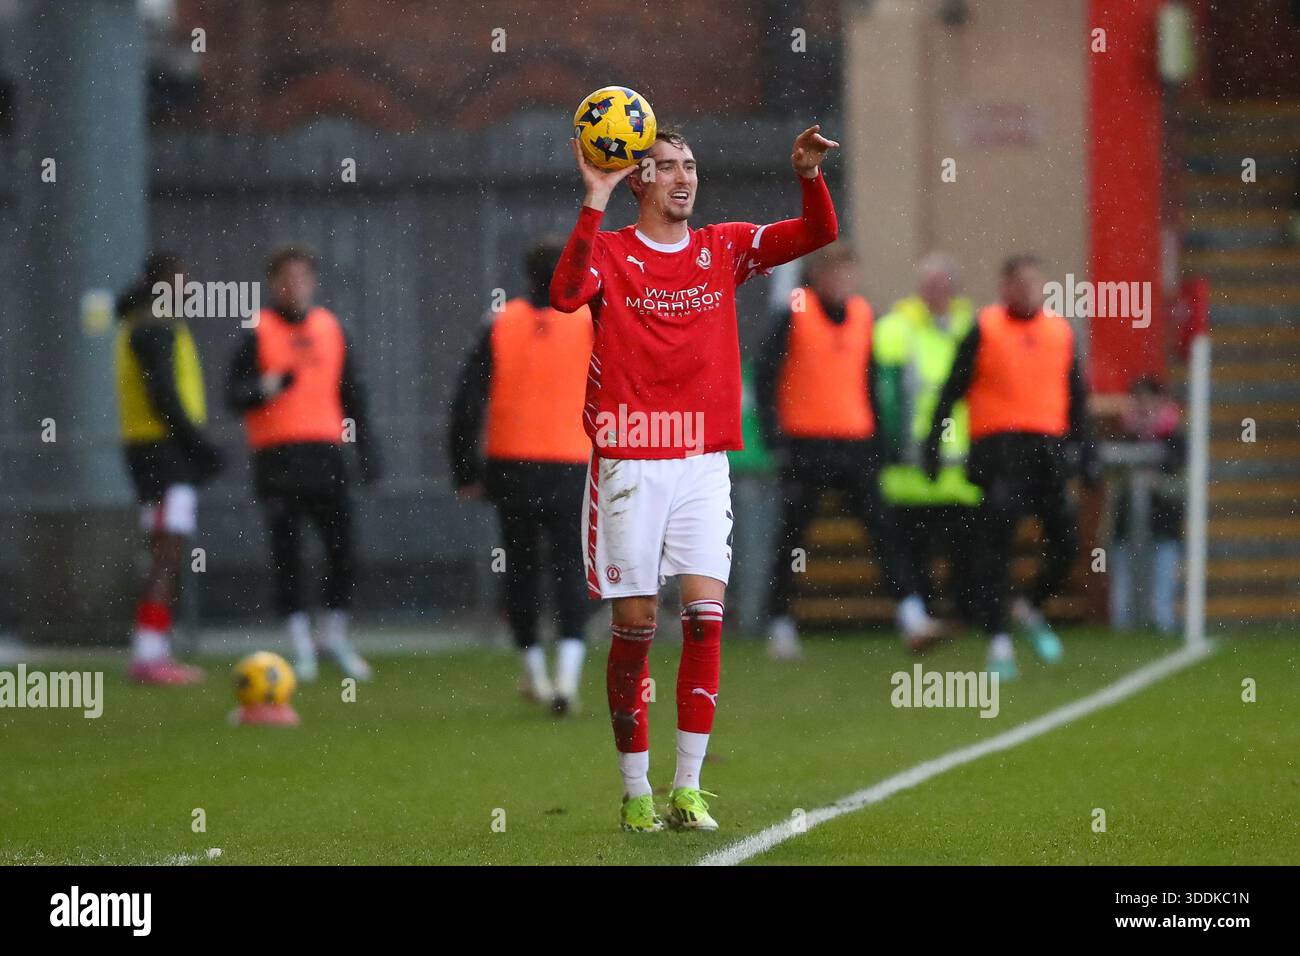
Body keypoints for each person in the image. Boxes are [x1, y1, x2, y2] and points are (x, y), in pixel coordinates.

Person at [550, 124, 839, 832]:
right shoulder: (613, 252)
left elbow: (815, 232)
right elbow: (562, 294)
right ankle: (634, 788)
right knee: (638, 626)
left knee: (707, 621)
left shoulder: (724, 247)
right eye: (668, 167)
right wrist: (594, 197)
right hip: (629, 464)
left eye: (691, 165)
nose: (685, 177)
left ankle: (687, 788)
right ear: (639, 180)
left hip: (703, 464)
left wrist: (806, 173)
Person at [755, 244, 939, 661]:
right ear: (816, 276)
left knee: (883, 529)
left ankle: (912, 615)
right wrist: (774, 437)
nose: (839, 282)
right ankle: (779, 623)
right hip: (806, 444)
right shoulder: (795, 313)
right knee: (793, 538)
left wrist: (881, 442)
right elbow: (767, 376)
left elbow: (870, 383)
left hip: (854, 443)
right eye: (832, 273)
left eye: (846, 273)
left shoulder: (862, 316)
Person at [925, 255, 1096, 680]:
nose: (1026, 291)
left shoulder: (1059, 332)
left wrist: (1090, 453)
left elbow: (1077, 402)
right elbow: (951, 391)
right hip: (998, 453)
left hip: (1046, 453)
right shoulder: (985, 329)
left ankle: (1030, 605)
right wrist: (933, 444)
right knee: (994, 548)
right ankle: (999, 640)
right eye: (1018, 284)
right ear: (1004, 288)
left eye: (1033, 283)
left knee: (1066, 541)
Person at [448, 237, 594, 714]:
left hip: (511, 466)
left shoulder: (501, 323)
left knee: (522, 568)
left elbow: (466, 404)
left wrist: (465, 469)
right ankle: (568, 678)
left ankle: (534, 671)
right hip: (573, 462)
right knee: (572, 567)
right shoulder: (591, 319)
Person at [226, 245, 381, 682]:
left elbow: (353, 394)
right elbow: (233, 394)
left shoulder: (330, 328)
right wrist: (268, 387)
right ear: (273, 284)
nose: (293, 287)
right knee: (288, 555)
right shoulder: (256, 331)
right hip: (278, 459)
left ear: (312, 282)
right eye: (285, 278)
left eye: (301, 277)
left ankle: (332, 636)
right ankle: (299, 646)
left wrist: (367, 450)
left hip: (326, 455)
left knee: (343, 551)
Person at [115, 252, 223, 684]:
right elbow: (164, 394)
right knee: (166, 551)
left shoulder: (146, 325)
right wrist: (200, 447)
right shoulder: (153, 328)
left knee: (167, 550)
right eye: (180, 279)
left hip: (157, 449)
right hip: (160, 451)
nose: (187, 287)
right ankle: (148, 653)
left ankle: (155, 647)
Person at [873, 253, 981, 638]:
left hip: (959, 462)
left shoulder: (973, 327)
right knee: (912, 547)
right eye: (929, 285)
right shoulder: (897, 328)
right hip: (910, 463)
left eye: (942, 284)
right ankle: (922, 615)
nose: (935, 292)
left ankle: (963, 615)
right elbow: (884, 390)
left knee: (963, 548)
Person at [1109, 376, 1184, 634]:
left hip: (1163, 522)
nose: (1142, 405)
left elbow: (1183, 480)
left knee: (1162, 580)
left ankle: (1162, 625)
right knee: (1124, 581)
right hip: (1127, 522)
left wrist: (1157, 484)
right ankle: (1123, 627)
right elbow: (1113, 480)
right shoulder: (1126, 435)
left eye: (1147, 399)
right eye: (1137, 399)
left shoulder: (1174, 437)